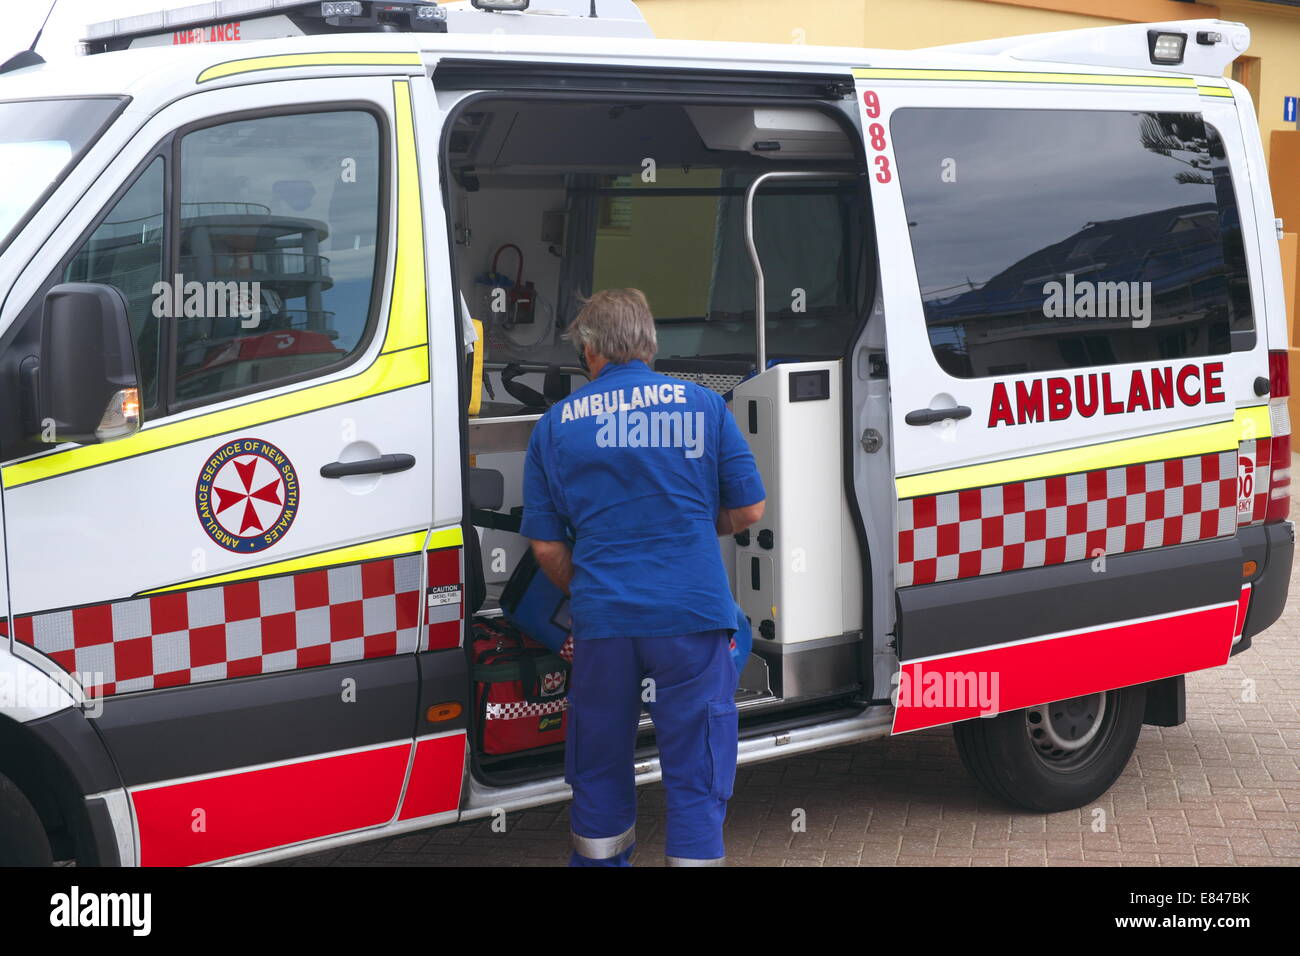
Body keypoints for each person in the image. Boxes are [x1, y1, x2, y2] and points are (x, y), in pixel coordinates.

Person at [521, 288, 766, 867]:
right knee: (697, 769)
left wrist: (586, 591)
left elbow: (545, 544)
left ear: (589, 351)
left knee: (601, 765)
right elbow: (750, 509)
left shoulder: (555, 426)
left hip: (605, 623)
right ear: (650, 346)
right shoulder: (705, 406)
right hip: (691, 616)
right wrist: (682, 526)